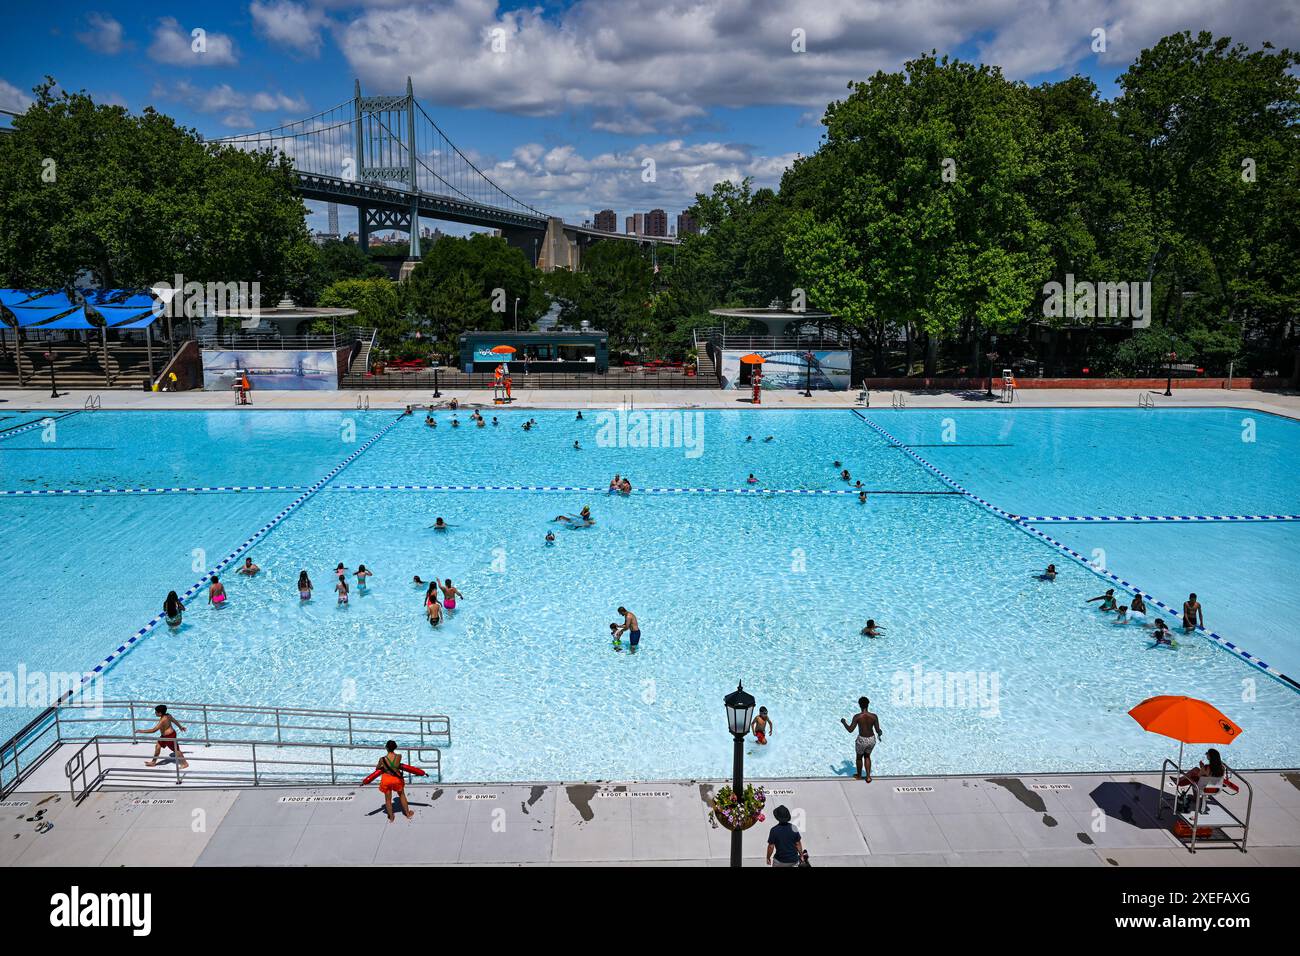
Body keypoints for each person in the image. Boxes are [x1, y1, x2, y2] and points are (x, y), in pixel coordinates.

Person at [359, 740, 427, 821]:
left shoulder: (382, 759)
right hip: (396, 780)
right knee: (402, 795)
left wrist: (384, 767)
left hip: (386, 780)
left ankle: (391, 817)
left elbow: (377, 769)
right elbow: (397, 765)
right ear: (395, 747)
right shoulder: (399, 756)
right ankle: (408, 814)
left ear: (386, 748)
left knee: (388, 800)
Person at [840, 696, 882, 782]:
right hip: (871, 739)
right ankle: (868, 776)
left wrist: (844, 722)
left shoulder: (857, 717)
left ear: (859, 705)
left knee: (859, 758)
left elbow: (850, 730)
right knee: (867, 756)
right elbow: (878, 730)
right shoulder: (874, 716)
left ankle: (859, 775)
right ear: (868, 704)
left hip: (862, 739)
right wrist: (880, 734)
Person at [139, 704, 188, 769]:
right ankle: (153, 762)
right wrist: (180, 727)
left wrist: (141, 731)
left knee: (176, 750)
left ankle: (185, 764)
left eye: (156, 712)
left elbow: (154, 730)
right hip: (164, 736)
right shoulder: (168, 715)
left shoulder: (163, 720)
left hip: (169, 737)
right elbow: (174, 721)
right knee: (158, 746)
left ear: (160, 713)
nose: (155, 713)